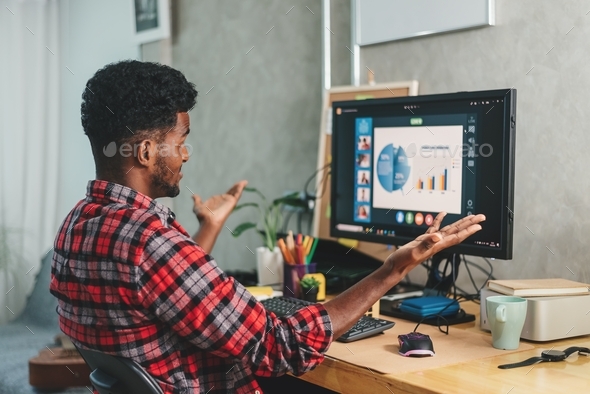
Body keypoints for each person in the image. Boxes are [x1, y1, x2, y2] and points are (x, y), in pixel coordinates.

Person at [50, 60, 485, 394]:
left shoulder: (77, 227)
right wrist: (392, 269)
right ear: (145, 152)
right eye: (181, 142)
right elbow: (279, 344)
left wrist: (208, 230)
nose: (186, 155)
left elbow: (163, 304)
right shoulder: (151, 243)